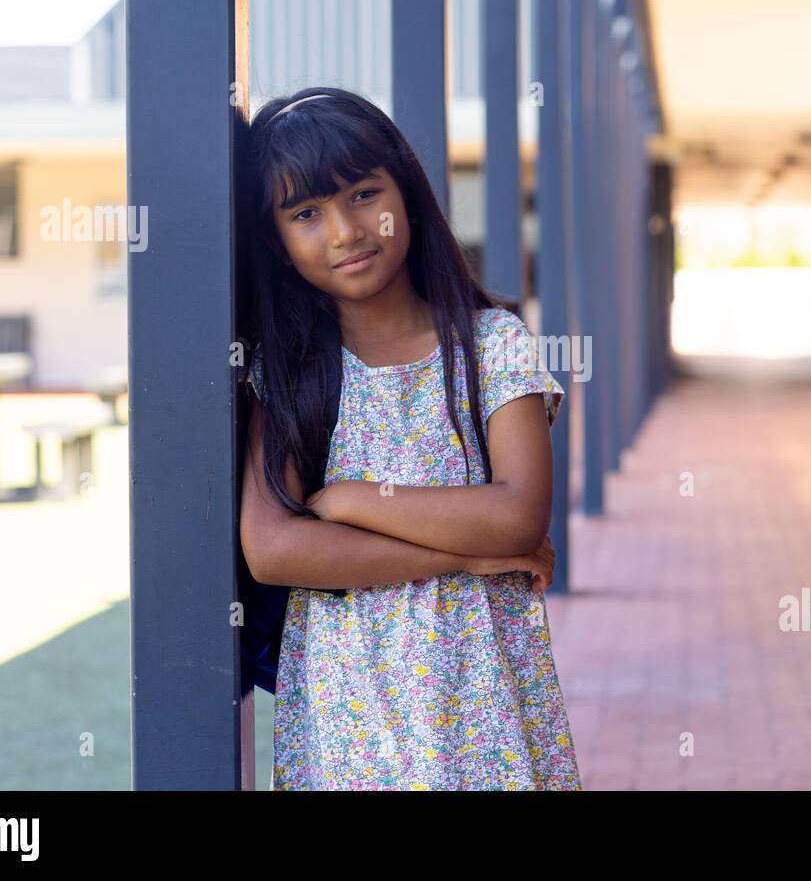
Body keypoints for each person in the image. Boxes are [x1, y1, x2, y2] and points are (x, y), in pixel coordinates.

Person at [238, 86, 582, 790]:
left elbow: (517, 515)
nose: (343, 230)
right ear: (276, 240)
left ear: (408, 193)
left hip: (483, 697)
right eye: (306, 212)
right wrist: (468, 554)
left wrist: (349, 498)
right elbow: (275, 548)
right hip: (348, 714)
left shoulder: (492, 345)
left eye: (364, 194)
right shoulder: (291, 370)